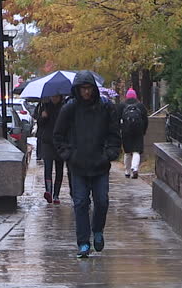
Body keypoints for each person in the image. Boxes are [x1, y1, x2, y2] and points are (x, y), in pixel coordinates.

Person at [54, 70, 121, 258]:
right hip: (78, 165)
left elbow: (114, 133)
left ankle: (97, 229)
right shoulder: (70, 109)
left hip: (99, 164)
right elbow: (58, 136)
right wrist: (69, 155)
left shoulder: (105, 108)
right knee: (80, 203)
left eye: (89, 88)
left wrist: (109, 153)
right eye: (82, 89)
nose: (86, 93)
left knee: (102, 201)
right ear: (77, 90)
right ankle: (83, 242)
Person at [37, 94, 65, 204]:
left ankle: (56, 195)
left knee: (59, 169)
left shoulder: (64, 108)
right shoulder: (44, 107)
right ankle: (48, 191)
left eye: (57, 96)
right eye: (53, 96)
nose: (54, 98)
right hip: (47, 142)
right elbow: (39, 124)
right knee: (47, 168)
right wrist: (43, 117)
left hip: (60, 143)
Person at [119, 88, 148, 179]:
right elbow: (145, 120)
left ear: (126, 96)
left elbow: (116, 119)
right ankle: (134, 168)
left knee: (127, 152)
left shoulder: (122, 105)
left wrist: (120, 130)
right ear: (135, 96)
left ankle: (127, 171)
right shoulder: (140, 106)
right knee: (136, 150)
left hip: (126, 131)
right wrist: (143, 130)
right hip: (138, 131)